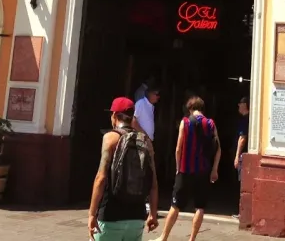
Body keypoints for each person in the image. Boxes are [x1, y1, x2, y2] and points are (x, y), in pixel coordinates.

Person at [88, 97, 159, 241]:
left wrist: (91, 214)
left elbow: (100, 178)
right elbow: (153, 184)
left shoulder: (110, 138)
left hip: (110, 216)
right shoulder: (146, 142)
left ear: (114, 115)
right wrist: (153, 214)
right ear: (132, 117)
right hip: (137, 217)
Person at [155, 96, 220, 241]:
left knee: (175, 205)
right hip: (204, 171)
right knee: (200, 207)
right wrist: (214, 169)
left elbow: (179, 148)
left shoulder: (185, 122)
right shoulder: (210, 123)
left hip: (186, 169)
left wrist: (178, 167)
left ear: (190, 108)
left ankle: (163, 237)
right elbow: (218, 149)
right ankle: (192, 239)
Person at [231, 97, 250, 220]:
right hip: (243, 155)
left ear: (245, 105)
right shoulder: (247, 118)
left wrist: (237, 155)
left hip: (243, 155)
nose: (238, 105)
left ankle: (242, 213)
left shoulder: (245, 119)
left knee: (242, 182)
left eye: (240, 103)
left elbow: (242, 138)